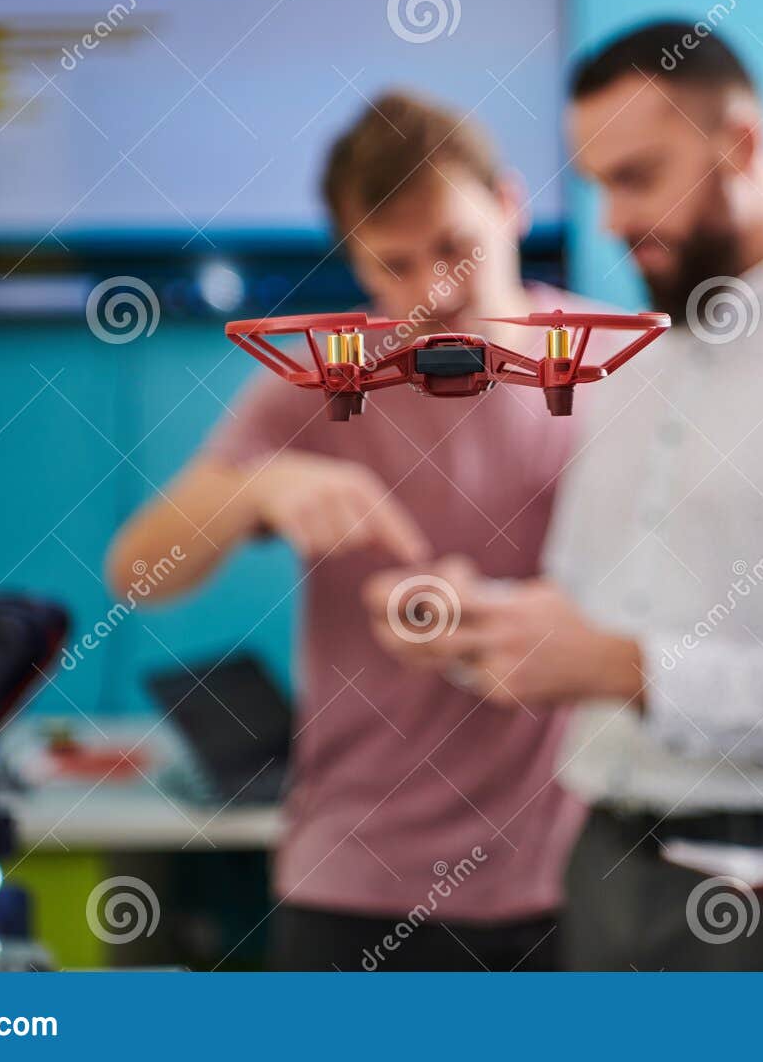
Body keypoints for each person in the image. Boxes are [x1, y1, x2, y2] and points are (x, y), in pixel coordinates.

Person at [365, 22, 763, 969]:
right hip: (606, 862)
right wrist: (470, 623)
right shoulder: (633, 357)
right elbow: (586, 615)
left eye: (638, 177)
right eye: (597, 182)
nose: (610, 218)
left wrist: (628, 668)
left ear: (740, 147)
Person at [105, 91, 587, 971]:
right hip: (356, 881)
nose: (432, 291)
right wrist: (260, 485)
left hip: (570, 879)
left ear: (512, 205)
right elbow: (138, 571)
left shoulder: (599, 365)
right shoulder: (324, 380)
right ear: (358, 265)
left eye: (454, 247)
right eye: (395, 264)